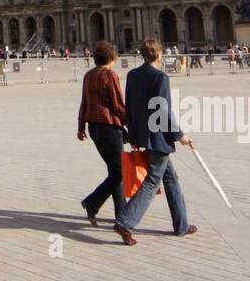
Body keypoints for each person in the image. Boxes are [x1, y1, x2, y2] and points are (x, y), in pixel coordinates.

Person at [112, 39, 195, 245]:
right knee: (152, 181)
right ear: (159, 55)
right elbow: (162, 109)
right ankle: (125, 221)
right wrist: (179, 135)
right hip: (158, 136)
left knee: (171, 178)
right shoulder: (160, 77)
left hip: (142, 134)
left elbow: (128, 106)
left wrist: (133, 132)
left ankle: (181, 224)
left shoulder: (132, 75)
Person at [77, 40, 128, 231]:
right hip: (108, 127)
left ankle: (121, 215)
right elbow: (117, 104)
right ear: (111, 57)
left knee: (114, 172)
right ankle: (92, 202)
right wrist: (130, 124)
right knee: (119, 172)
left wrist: (81, 126)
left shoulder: (88, 75)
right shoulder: (110, 74)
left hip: (93, 127)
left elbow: (85, 102)